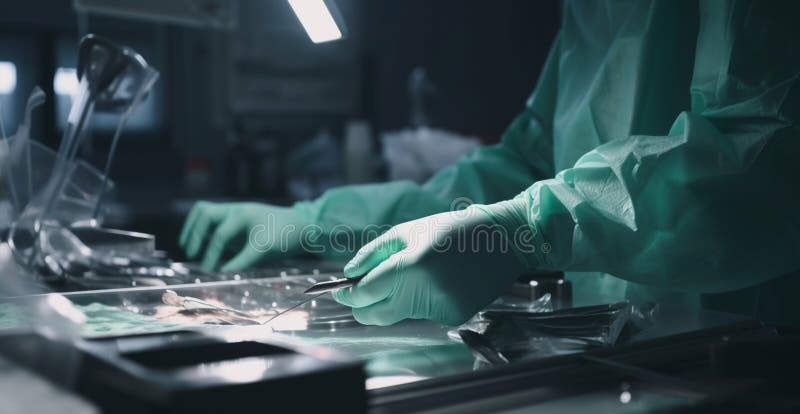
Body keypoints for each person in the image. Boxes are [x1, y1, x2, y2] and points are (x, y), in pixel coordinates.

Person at [180, 0, 800, 326]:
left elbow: (762, 161)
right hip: (629, 356)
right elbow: (524, 163)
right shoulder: (593, 11)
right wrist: (315, 220)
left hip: (761, 367)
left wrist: (522, 230)